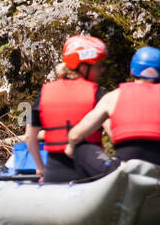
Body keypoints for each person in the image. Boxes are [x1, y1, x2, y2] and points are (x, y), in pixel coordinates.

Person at [66, 46, 160, 166]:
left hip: (127, 173)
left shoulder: (112, 97)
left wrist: (71, 148)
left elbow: (75, 135)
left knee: (82, 148)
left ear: (132, 71)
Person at [23, 35, 116, 183]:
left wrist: (41, 169)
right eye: (98, 66)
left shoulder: (44, 92)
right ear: (83, 67)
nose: (102, 70)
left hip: (53, 175)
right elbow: (112, 131)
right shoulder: (96, 92)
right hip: (89, 175)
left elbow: (29, 136)